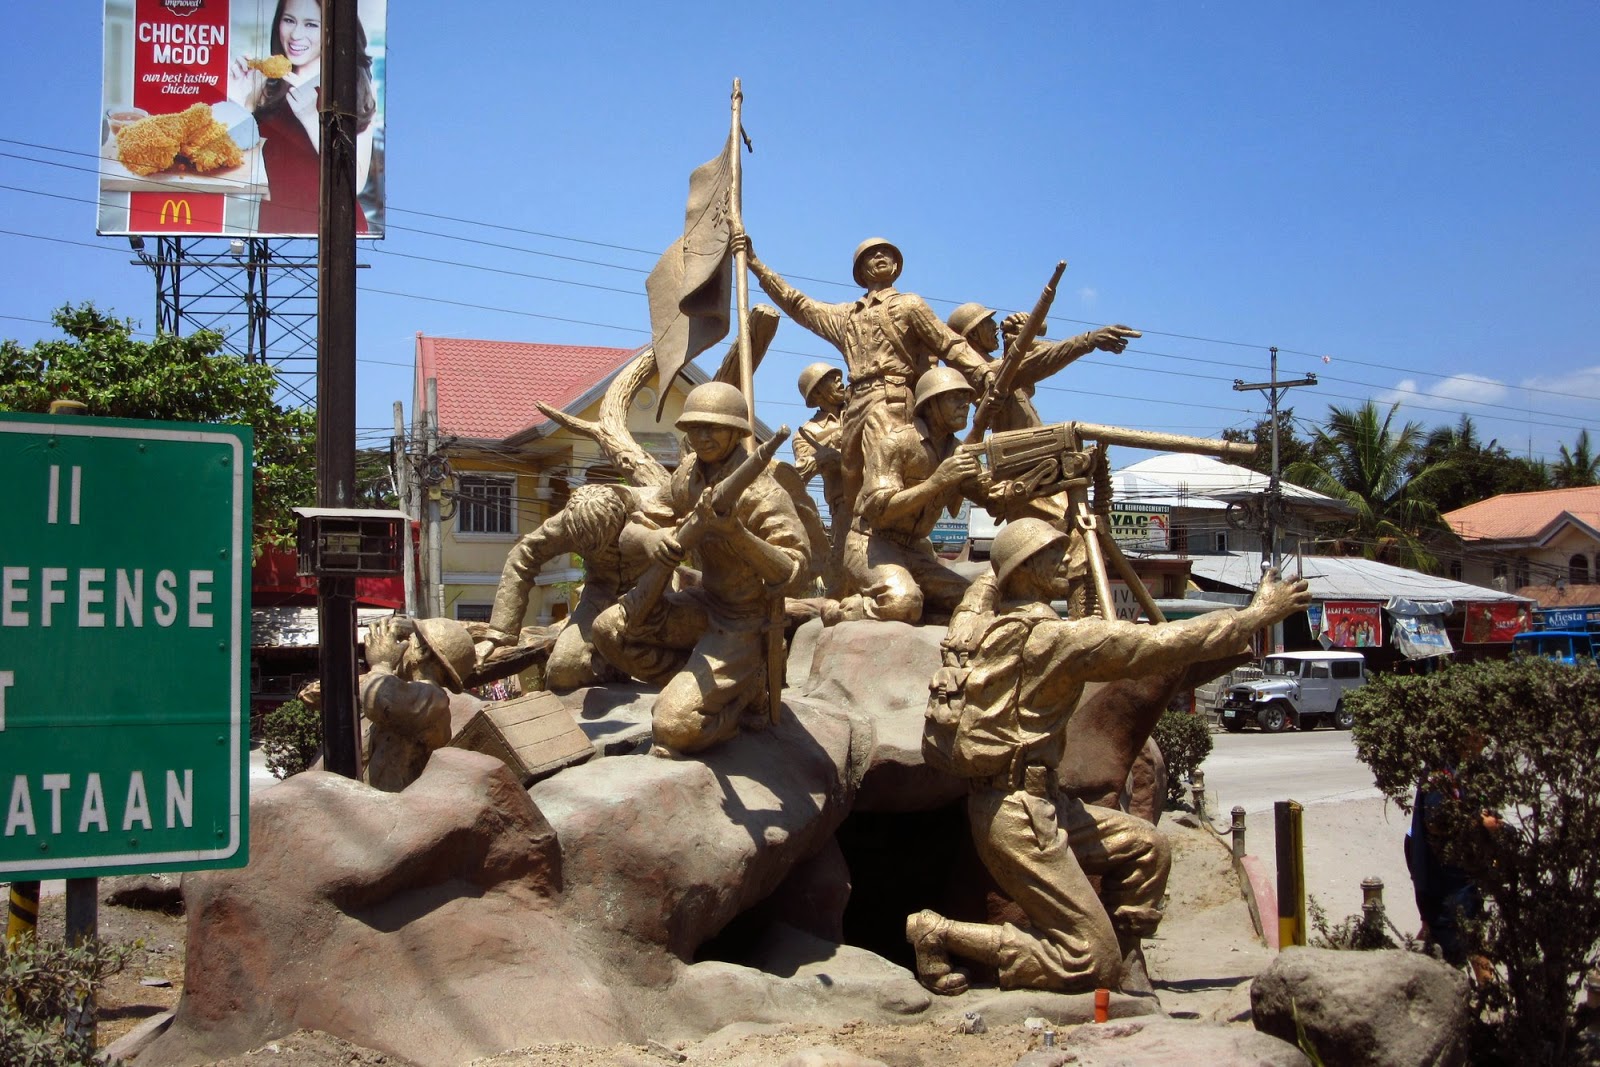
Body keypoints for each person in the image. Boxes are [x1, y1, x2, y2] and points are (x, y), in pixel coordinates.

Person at [911, 519, 1311, 995]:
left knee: (1148, 848)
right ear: (1024, 569)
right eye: (1048, 555)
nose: (1063, 561)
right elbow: (1157, 644)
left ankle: (1126, 962)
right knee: (1087, 961)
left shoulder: (972, 627)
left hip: (1043, 805)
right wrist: (1252, 617)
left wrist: (994, 576)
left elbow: (978, 591)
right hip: (1017, 817)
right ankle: (939, 932)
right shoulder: (1052, 640)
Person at [734, 233, 993, 566]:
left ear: (898, 265)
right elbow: (798, 304)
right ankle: (854, 571)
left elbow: (948, 343)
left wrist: (981, 372)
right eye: (872, 254)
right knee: (850, 495)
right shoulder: (847, 316)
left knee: (884, 480)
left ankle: (893, 559)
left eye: (887, 253)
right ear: (860, 270)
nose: (881, 257)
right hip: (856, 406)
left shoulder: (909, 304)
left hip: (892, 398)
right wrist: (754, 263)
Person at [591, 383, 810, 756]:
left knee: (673, 729)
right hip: (703, 606)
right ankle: (706, 685)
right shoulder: (688, 473)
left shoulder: (762, 492)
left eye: (713, 428)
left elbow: (795, 573)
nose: (702, 437)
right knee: (608, 631)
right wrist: (652, 540)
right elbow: (631, 531)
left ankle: (739, 700)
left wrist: (736, 534)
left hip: (744, 623)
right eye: (695, 428)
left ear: (738, 431)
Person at [829, 367, 985, 624]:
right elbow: (878, 510)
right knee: (904, 601)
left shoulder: (958, 452)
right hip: (872, 544)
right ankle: (848, 610)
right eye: (955, 397)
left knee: (974, 600)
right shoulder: (897, 444)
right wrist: (936, 481)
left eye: (966, 398)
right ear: (931, 404)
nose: (965, 404)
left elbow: (991, 498)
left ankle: (921, 607)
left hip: (916, 551)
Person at [481, 483, 650, 692]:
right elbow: (522, 555)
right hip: (601, 594)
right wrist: (498, 636)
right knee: (563, 670)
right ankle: (614, 674)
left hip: (653, 593)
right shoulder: (568, 523)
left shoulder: (651, 506)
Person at [229, 0, 376, 234]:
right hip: (274, 222)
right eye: (289, 20)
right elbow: (237, 170)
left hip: (338, 230)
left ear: (331, 31)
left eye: (311, 25)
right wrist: (237, 103)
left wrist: (311, 118)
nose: (296, 34)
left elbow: (355, 182)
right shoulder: (264, 86)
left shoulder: (352, 89)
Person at [945, 304, 1141, 433]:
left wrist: (1022, 337)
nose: (996, 327)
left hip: (1032, 448)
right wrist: (1087, 341)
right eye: (987, 323)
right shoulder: (981, 374)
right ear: (974, 335)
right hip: (1017, 459)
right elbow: (1041, 362)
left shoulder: (1003, 364)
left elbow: (1046, 354)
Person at [1405, 731, 1498, 976]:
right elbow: (1437, 822)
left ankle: (1489, 997)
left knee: (1470, 933)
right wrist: (1480, 823)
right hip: (1443, 873)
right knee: (1450, 938)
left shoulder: (1467, 769)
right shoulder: (1441, 773)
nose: (1484, 742)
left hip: (1461, 871)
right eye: (1479, 736)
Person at [350, 616, 473, 792]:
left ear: (422, 652)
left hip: (396, 803)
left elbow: (380, 699)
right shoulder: (417, 693)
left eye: (408, 640)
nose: (400, 647)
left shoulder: (432, 697)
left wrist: (381, 664)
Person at [793, 362, 848, 593]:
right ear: (816, 393)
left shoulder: (861, 409)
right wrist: (829, 447)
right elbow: (801, 470)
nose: (839, 380)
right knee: (845, 567)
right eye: (831, 378)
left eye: (838, 376)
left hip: (881, 494)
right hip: (845, 505)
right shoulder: (805, 433)